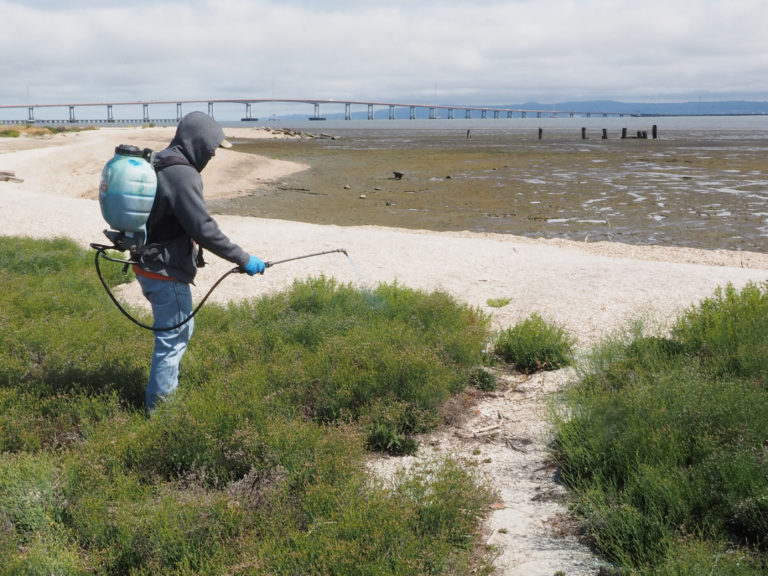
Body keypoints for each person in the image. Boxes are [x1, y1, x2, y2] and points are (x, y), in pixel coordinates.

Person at [133, 111, 265, 412]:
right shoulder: (183, 175)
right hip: (166, 272)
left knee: (177, 333)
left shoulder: (160, 161)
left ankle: (161, 403)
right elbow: (204, 229)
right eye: (212, 148)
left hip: (145, 263)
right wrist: (244, 259)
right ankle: (161, 415)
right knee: (173, 340)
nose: (212, 154)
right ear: (199, 142)